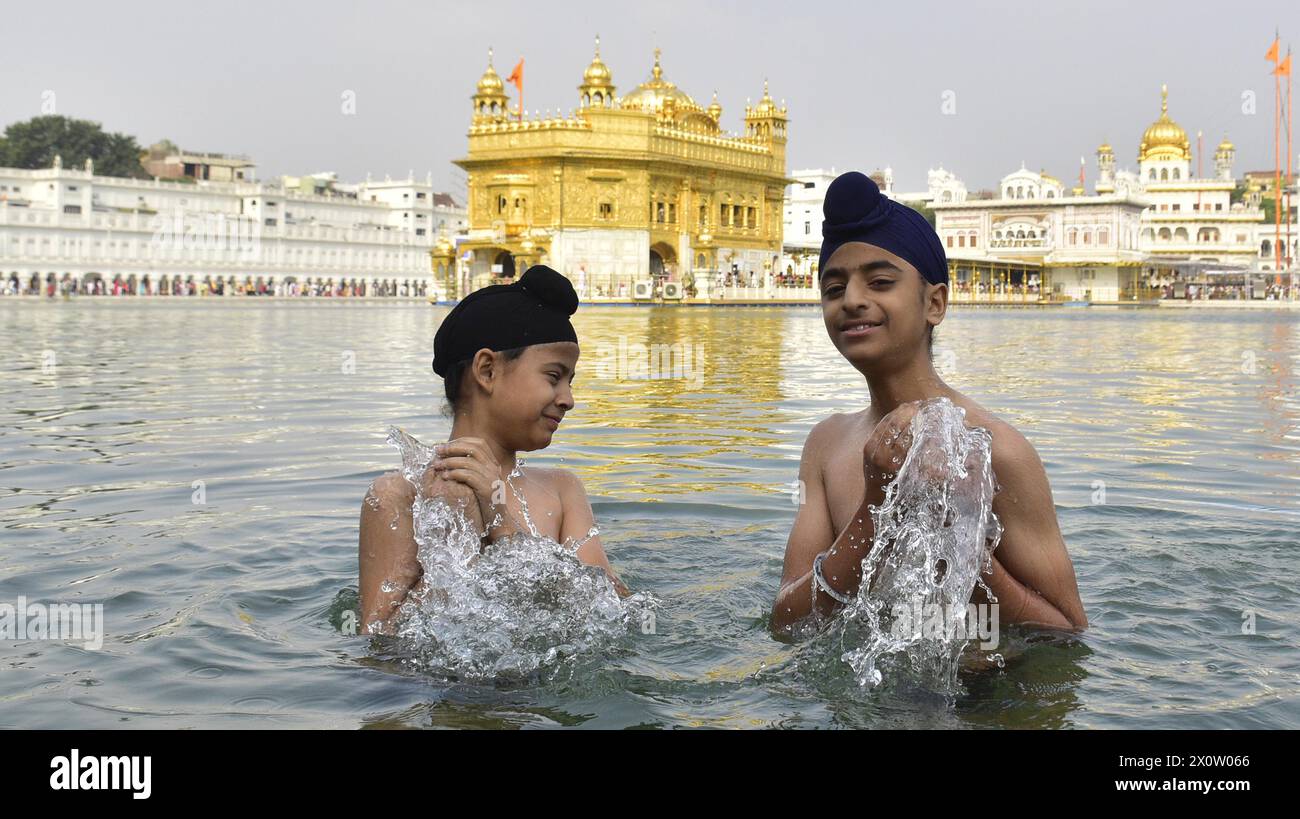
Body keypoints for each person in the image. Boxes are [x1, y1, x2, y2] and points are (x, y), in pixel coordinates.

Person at [770, 171, 1086, 635]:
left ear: (934, 303)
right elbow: (786, 621)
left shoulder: (998, 450)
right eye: (834, 289)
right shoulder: (826, 443)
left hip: (983, 700)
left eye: (879, 282)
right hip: (860, 702)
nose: (852, 301)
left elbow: (1066, 632)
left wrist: (961, 546)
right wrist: (879, 506)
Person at [358, 264, 625, 635]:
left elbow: (609, 611)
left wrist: (499, 518)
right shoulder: (398, 497)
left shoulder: (564, 490)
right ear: (486, 370)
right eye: (554, 376)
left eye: (570, 381)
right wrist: (459, 528)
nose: (568, 399)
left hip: (540, 692)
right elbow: (380, 645)